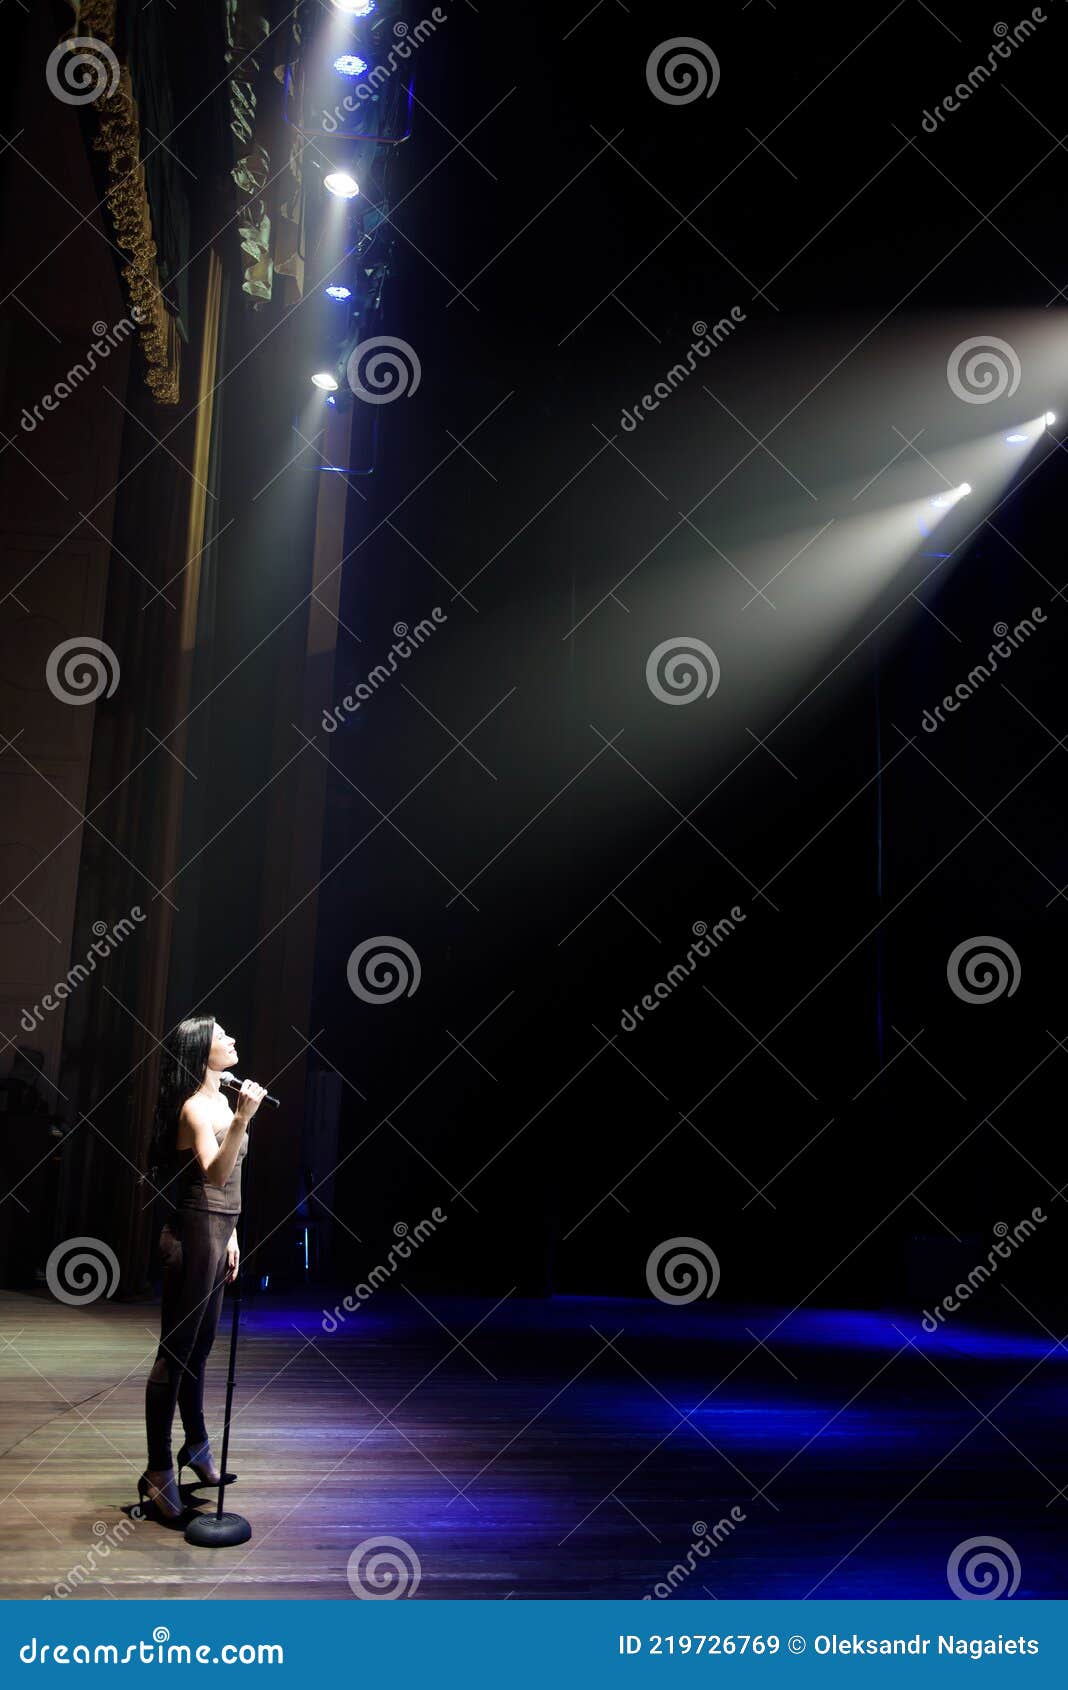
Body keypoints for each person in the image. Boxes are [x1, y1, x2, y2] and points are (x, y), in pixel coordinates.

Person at [140, 1016, 266, 1522]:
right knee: (176, 1352)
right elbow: (213, 1174)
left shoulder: (221, 1100)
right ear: (201, 1052)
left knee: (200, 1349)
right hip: (192, 1233)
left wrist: (232, 1233)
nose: (233, 1040)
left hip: (218, 1231)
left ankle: (194, 1448)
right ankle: (155, 1472)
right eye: (222, 1037)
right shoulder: (196, 1107)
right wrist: (242, 1119)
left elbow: (228, 1177)